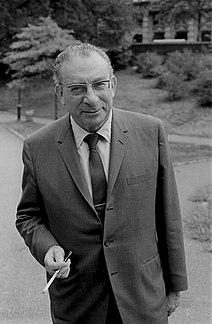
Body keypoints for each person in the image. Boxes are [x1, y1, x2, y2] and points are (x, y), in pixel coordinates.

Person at [16, 43, 188, 324]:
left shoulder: (151, 132)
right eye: (77, 89)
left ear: (114, 85)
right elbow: (28, 216)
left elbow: (168, 214)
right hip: (77, 302)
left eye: (99, 85)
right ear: (60, 93)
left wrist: (175, 283)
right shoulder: (37, 148)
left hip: (143, 297)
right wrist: (47, 248)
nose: (92, 99)